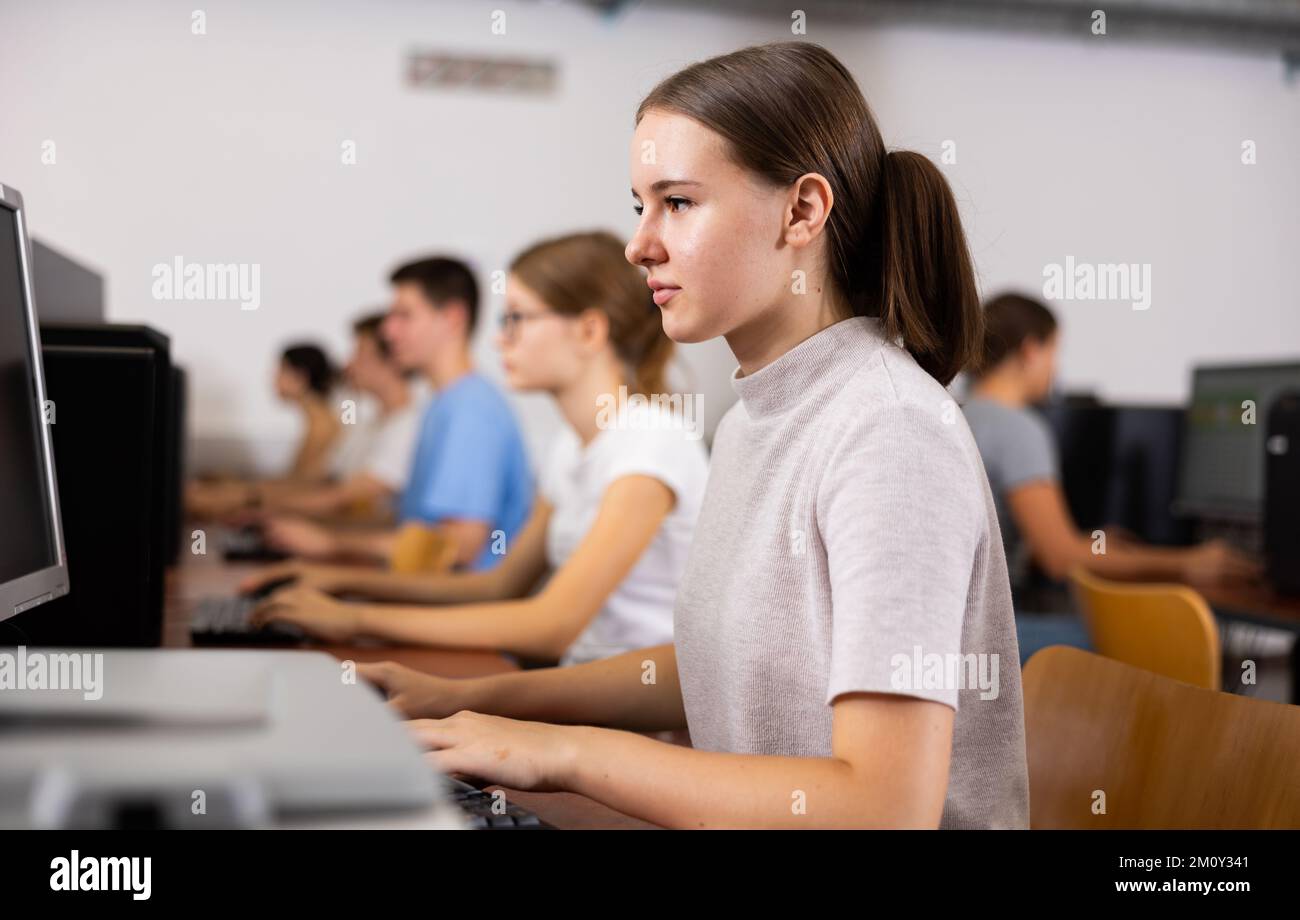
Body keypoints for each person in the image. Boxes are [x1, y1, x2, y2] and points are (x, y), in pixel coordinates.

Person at [349, 42, 1030, 829]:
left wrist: (561, 754)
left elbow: (882, 808)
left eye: (677, 202)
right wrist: (472, 701)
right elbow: (719, 669)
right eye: (640, 205)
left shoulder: (891, 431)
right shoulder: (751, 423)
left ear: (802, 211)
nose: (640, 244)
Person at [247, 232, 710, 665]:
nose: (497, 338)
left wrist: (355, 617)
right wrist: (339, 583)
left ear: (589, 331)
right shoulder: (573, 446)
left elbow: (550, 625)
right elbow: (499, 585)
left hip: (629, 719)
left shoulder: (650, 443)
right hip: (578, 690)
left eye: (516, 319)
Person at [962, 292, 1261, 661]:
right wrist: (1186, 562)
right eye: (1055, 351)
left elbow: (1044, 547)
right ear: (1031, 351)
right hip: (991, 639)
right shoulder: (1018, 429)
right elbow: (1058, 557)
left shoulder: (963, 414)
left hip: (959, 631)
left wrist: (1096, 545)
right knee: (1150, 637)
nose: (1055, 369)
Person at [261, 257, 533, 571]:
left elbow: (459, 546)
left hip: (452, 609)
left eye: (404, 316)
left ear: (453, 318)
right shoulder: (443, 404)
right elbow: (413, 527)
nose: (389, 331)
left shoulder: (471, 410)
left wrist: (332, 544)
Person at [242, 312, 424, 520]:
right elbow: (322, 483)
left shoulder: (409, 426)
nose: (348, 365)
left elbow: (341, 499)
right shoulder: (365, 427)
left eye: (359, 353)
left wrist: (247, 500)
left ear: (394, 359)